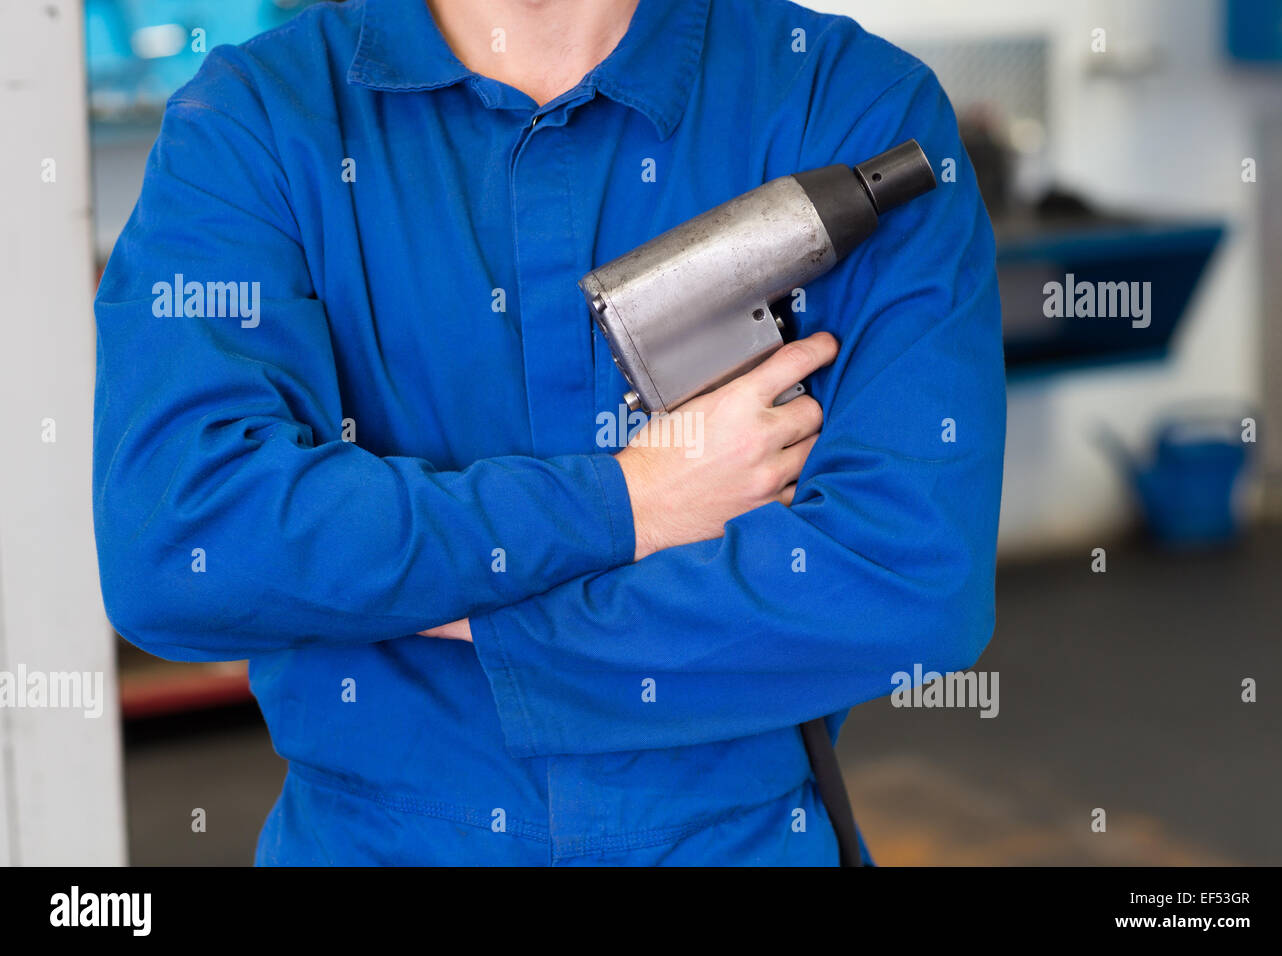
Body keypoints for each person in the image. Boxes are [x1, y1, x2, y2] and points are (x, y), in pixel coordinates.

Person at [92, 0, 1005, 866]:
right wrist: (629, 503)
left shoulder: (843, 103)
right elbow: (179, 547)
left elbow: (914, 582)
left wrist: (452, 610)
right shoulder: (255, 122)